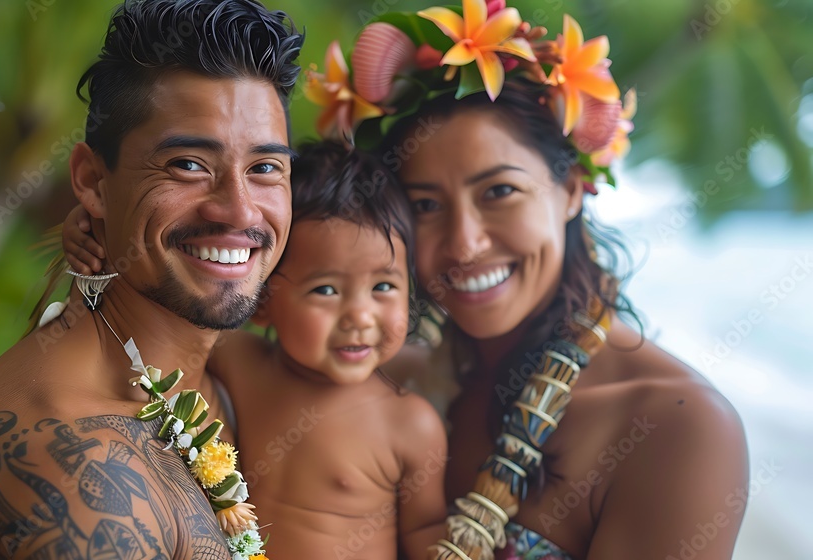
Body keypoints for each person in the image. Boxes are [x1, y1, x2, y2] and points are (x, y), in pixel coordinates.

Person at [309, 2, 747, 558]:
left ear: (570, 190)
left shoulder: (677, 428)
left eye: (499, 192)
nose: (465, 244)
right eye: (424, 204)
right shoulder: (384, 382)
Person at [0, 1, 304, 559]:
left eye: (264, 168)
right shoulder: (84, 490)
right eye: (189, 163)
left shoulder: (208, 370)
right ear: (92, 180)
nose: (239, 211)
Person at [62, 141, 449, 559]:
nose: (360, 316)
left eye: (383, 287)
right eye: (326, 290)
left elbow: (426, 527)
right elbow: (141, 317)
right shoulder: (241, 361)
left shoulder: (410, 424)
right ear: (260, 302)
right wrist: (93, 233)